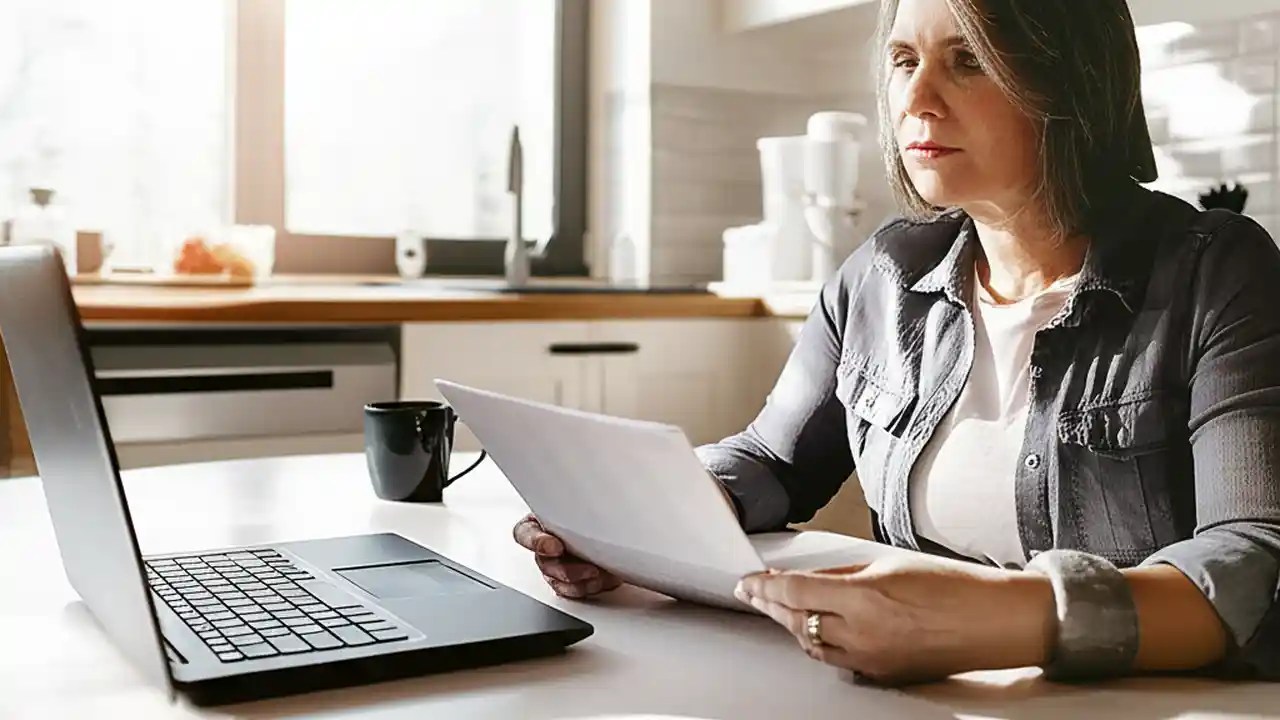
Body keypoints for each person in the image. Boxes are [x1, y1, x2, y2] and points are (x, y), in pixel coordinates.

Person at [514, 0, 1280, 685]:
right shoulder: (881, 273)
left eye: (967, 59)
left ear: (1070, 83)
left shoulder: (1218, 272)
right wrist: (635, 519)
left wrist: (992, 621)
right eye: (904, 60)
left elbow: (1254, 557)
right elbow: (773, 459)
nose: (915, 99)